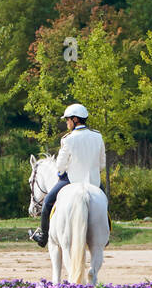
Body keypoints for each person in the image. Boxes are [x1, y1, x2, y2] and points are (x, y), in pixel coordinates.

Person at [29, 103, 107, 247]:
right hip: (94, 182)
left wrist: (62, 173)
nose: (66, 123)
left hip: (71, 181)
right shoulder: (98, 136)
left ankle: (43, 236)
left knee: (46, 203)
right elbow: (102, 164)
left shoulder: (68, 139)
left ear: (75, 119)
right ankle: (105, 234)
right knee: (104, 202)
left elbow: (60, 166)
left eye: (68, 120)